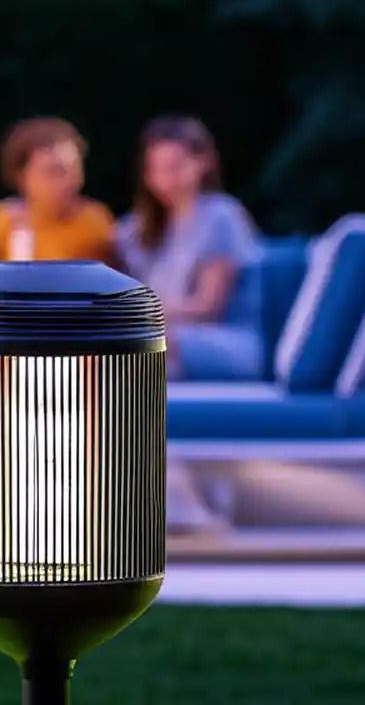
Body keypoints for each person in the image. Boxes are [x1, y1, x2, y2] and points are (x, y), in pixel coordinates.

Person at [115, 115, 262, 533]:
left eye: (177, 166)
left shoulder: (222, 216)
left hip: (226, 344)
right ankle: (168, 495)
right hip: (163, 342)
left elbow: (207, 306)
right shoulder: (137, 231)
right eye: (157, 169)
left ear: (203, 163)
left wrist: (134, 313)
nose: (167, 179)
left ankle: (179, 506)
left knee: (135, 358)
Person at [0, 117, 115, 266]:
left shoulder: (96, 221)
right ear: (21, 176)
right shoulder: (1, 221)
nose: (68, 181)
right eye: (54, 172)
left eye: (74, 169)